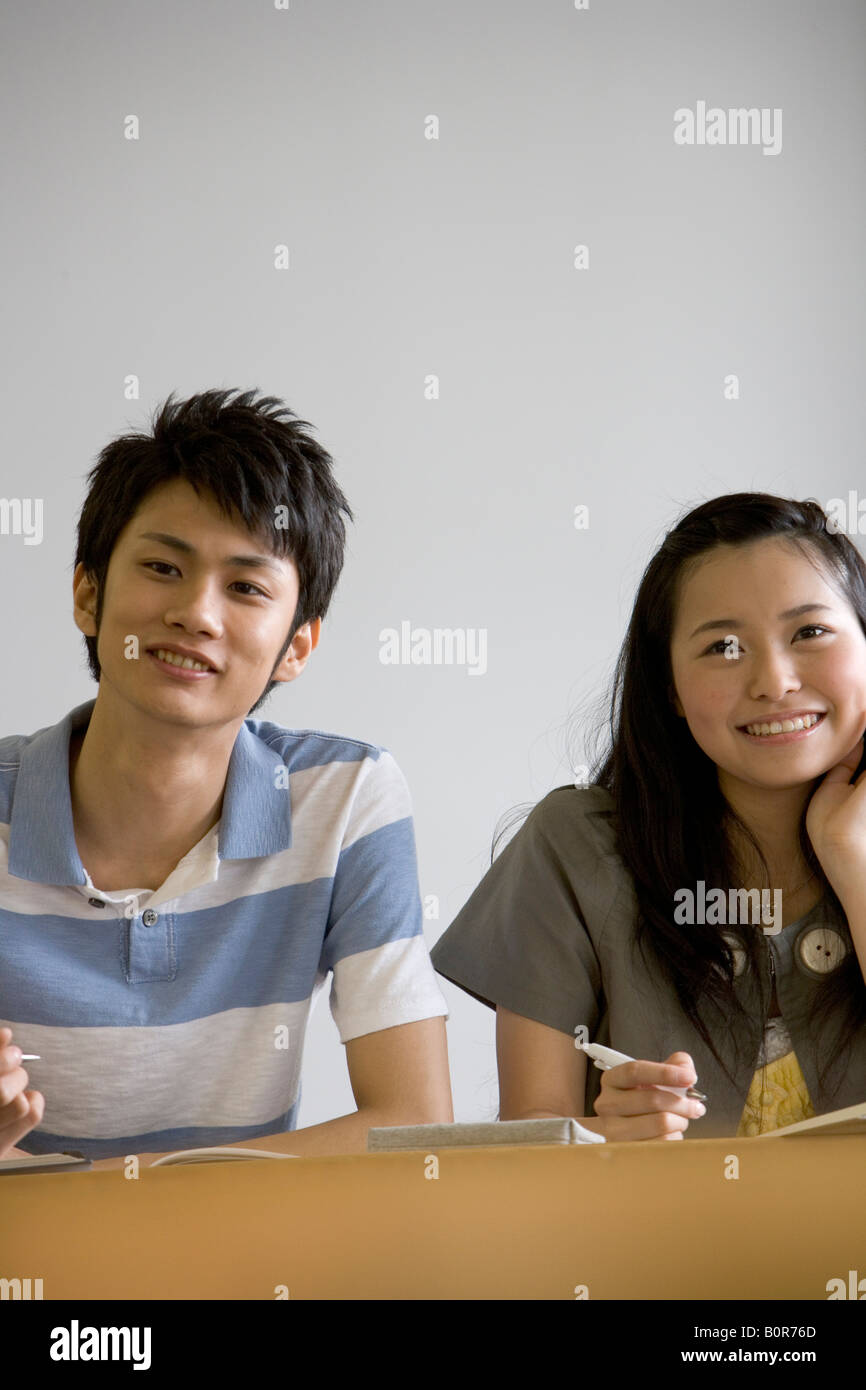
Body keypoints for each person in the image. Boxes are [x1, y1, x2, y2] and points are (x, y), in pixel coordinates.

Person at [0, 387, 451, 1165]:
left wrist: (144, 1202)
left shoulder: (344, 796)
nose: (198, 614)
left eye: (245, 587)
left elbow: (414, 1123)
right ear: (87, 593)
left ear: (298, 647)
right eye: (162, 567)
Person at [431, 493, 866, 1141]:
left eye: (809, 632)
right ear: (671, 689)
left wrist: (849, 855)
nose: (773, 681)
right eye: (722, 645)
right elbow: (528, 1142)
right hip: (648, 1243)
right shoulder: (573, 845)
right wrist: (603, 1138)